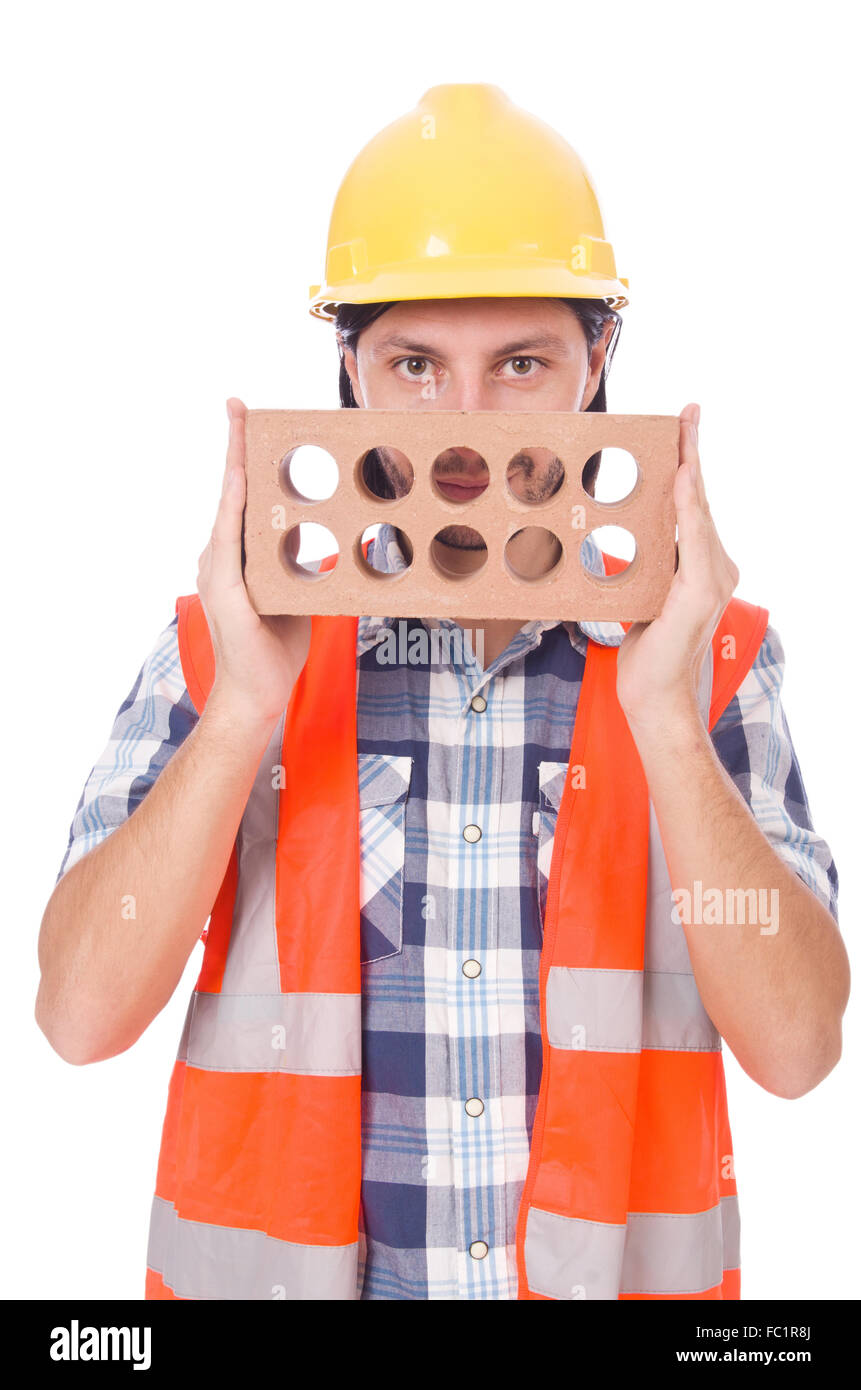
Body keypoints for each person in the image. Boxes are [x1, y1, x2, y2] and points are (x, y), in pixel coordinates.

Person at [35, 84, 847, 1301]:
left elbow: (798, 1051)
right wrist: (244, 714)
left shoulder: (712, 658)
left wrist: (667, 716)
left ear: (598, 366)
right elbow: (78, 1017)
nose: (463, 425)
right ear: (349, 370)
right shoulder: (223, 649)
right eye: (416, 364)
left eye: (521, 362)